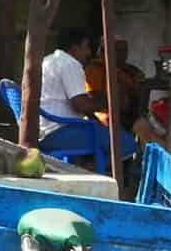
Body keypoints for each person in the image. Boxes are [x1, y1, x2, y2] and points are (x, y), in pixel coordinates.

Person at [40, 27, 138, 165]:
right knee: (126, 144)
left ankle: (84, 169)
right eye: (85, 47)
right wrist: (109, 102)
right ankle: (89, 172)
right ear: (74, 48)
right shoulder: (70, 63)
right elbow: (81, 105)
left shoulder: (48, 61)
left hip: (44, 131)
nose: (89, 53)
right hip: (60, 132)